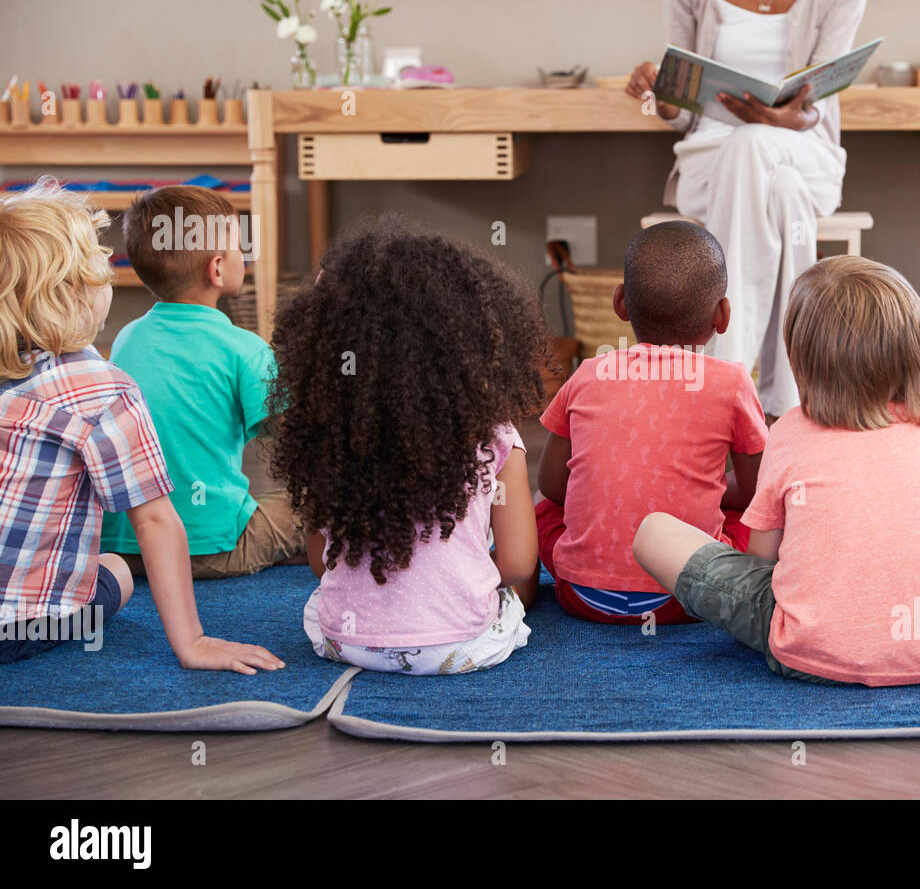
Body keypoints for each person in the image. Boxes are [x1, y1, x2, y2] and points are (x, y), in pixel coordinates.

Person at [633, 256, 920, 686]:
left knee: (654, 531)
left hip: (799, 648)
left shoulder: (790, 431)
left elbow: (762, 561)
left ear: (800, 362)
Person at [0, 179, 283, 672]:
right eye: (101, 273)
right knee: (116, 576)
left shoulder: (126, 341)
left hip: (84, 558)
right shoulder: (103, 387)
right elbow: (155, 519)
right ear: (73, 293)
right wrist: (192, 643)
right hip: (23, 628)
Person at [271, 224, 548, 674]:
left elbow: (322, 568)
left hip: (345, 643)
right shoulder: (495, 436)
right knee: (510, 576)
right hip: (464, 648)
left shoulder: (326, 432)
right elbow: (517, 564)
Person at [626, 0, 871, 416]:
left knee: (755, 144)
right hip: (709, 159)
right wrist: (659, 90)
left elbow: (817, 98)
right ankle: (795, 401)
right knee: (776, 185)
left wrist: (786, 120)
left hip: (806, 150)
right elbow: (680, 112)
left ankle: (722, 388)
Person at [536, 221, 767, 623]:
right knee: (753, 521)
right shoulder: (732, 383)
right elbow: (758, 493)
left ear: (620, 302)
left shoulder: (589, 374)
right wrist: (705, 491)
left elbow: (553, 487)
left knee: (542, 512)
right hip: (687, 596)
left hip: (581, 594)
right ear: (722, 314)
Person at [102, 187, 305, 578]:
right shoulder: (245, 349)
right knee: (305, 505)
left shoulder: (125, 338)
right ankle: (270, 548)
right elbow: (297, 437)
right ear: (216, 269)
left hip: (130, 545)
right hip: (211, 549)